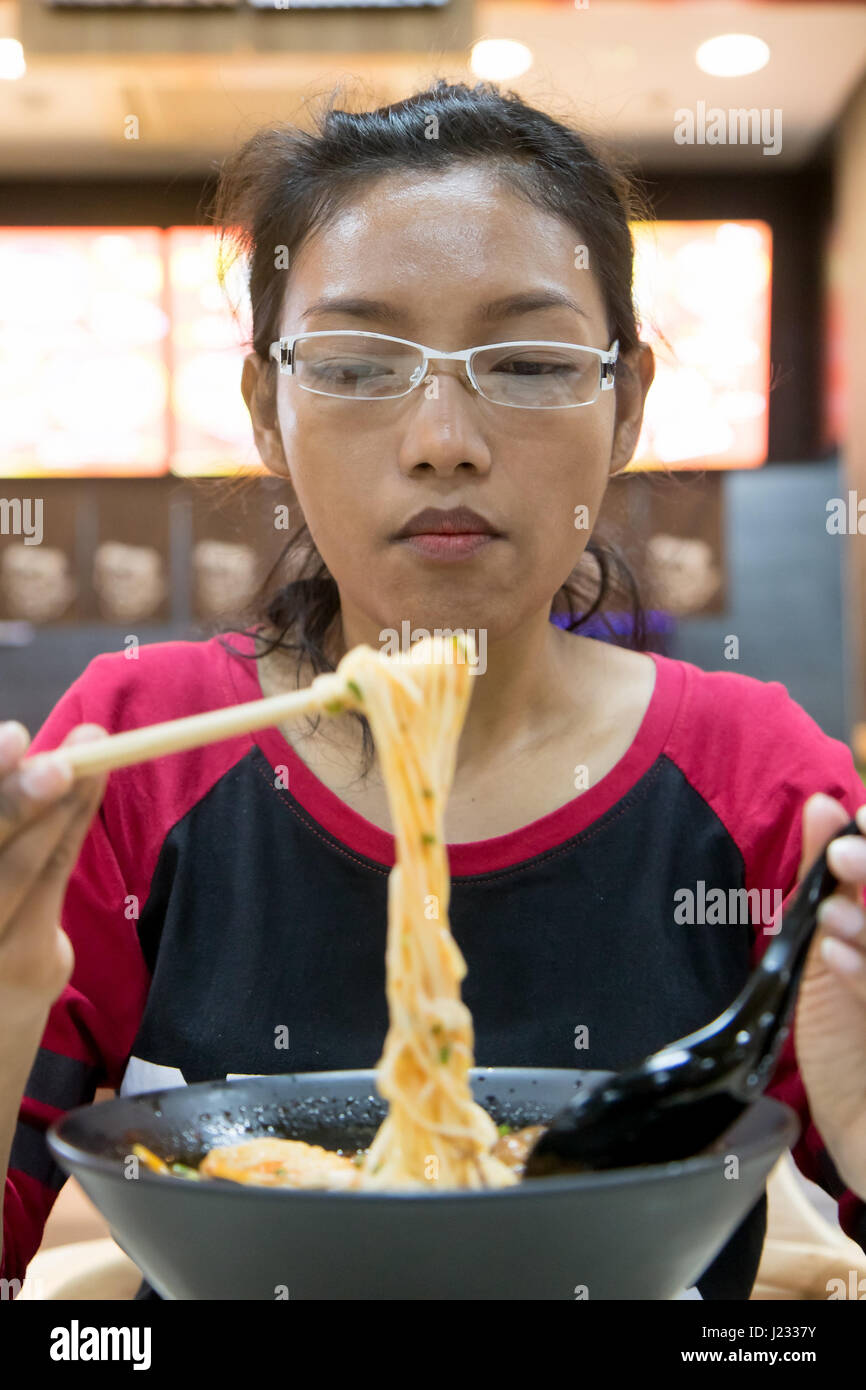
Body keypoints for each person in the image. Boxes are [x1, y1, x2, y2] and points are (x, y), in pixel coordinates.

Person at [2, 80, 865, 1302]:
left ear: (623, 405)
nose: (441, 437)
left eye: (523, 360)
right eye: (358, 365)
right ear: (267, 408)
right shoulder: (134, 753)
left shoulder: (761, 781)